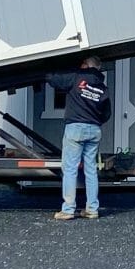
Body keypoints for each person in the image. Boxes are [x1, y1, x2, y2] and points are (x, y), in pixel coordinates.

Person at [45, 56, 111, 220]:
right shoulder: (103, 88)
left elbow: (53, 79)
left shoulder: (76, 78)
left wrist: (47, 66)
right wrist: (94, 121)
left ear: (85, 65)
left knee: (70, 169)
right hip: (94, 130)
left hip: (75, 128)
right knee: (91, 171)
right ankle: (92, 209)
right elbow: (107, 114)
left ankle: (68, 210)